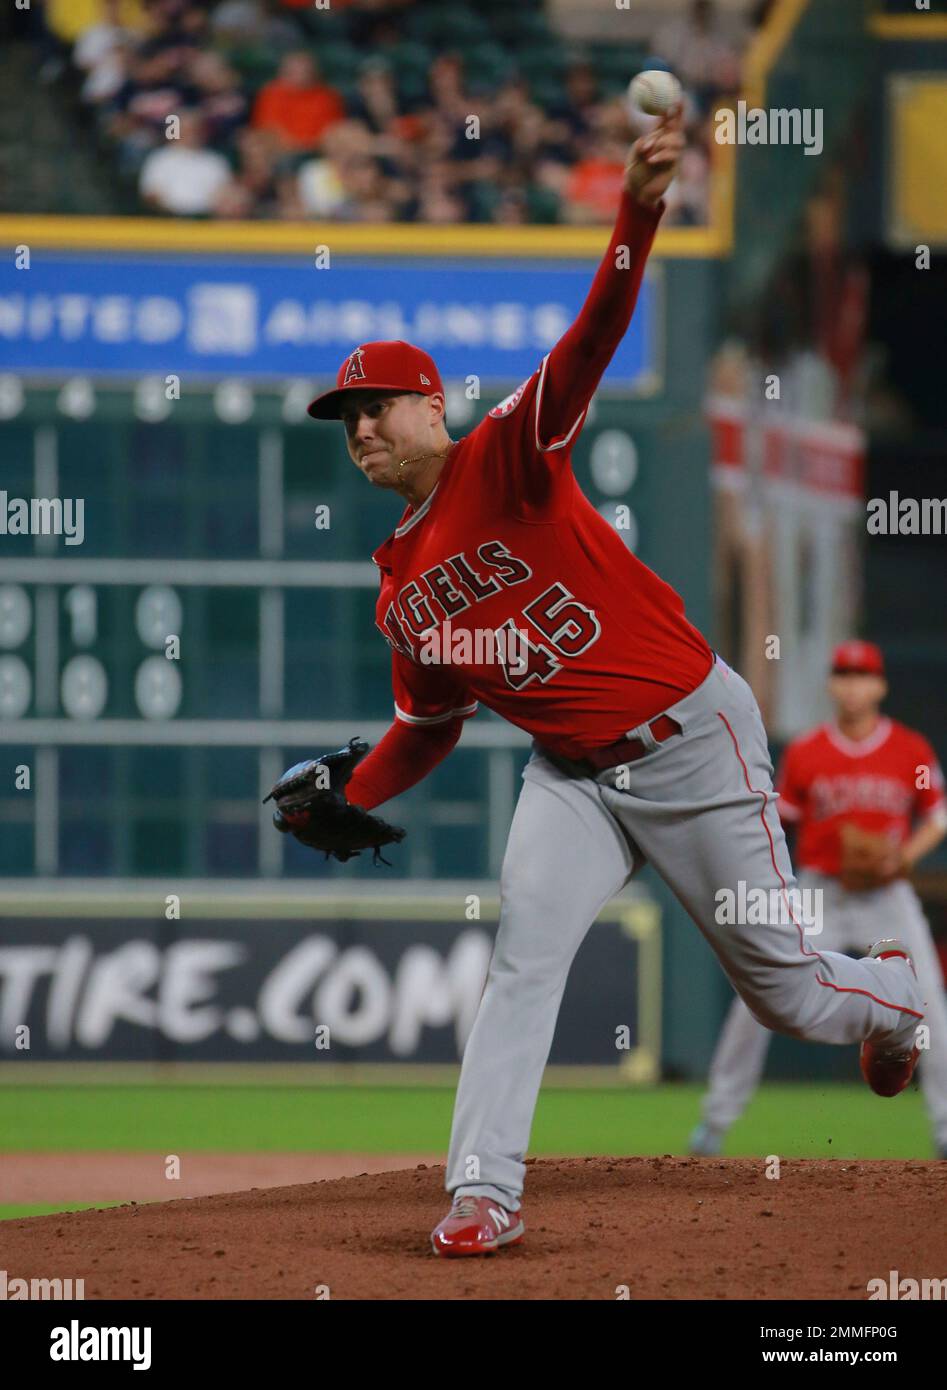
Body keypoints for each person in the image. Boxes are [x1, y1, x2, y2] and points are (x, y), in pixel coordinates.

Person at [299, 107, 926, 1258]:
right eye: (345, 423)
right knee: (520, 960)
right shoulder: (398, 586)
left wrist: (638, 208)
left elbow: (591, 337)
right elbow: (424, 728)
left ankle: (901, 1001)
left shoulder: (506, 456)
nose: (360, 432)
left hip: (691, 737)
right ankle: (482, 1191)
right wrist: (359, 791)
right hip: (570, 780)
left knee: (786, 992)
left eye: (373, 408)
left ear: (430, 404)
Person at [690, 640, 947, 1159]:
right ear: (832, 685)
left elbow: (938, 815)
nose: (852, 685)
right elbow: (776, 824)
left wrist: (904, 858)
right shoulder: (808, 752)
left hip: (886, 897)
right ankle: (714, 1125)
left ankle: (944, 1129)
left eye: (862, 676)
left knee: (930, 1005)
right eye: (843, 675)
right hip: (820, 890)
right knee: (756, 996)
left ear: (880, 686)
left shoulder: (910, 749)